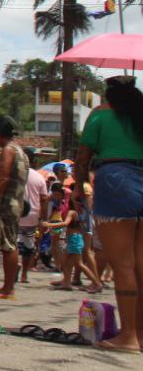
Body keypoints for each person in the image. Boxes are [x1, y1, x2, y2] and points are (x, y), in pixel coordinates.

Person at [74, 74, 143, 353]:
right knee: (141, 265)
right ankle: (140, 332)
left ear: (109, 95)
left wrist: (79, 187)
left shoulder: (100, 116)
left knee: (123, 266)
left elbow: (82, 157)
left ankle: (127, 337)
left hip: (116, 180)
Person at [0, 116, 30, 300]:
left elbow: (3, 178)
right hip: (13, 203)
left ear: (1, 134)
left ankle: (8, 289)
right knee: (7, 244)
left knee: (7, 245)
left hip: (5, 205)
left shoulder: (9, 151)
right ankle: (7, 286)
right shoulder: (19, 151)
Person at [18, 149, 46, 285]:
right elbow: (44, 199)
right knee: (29, 245)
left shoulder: (15, 174)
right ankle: (24, 274)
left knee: (16, 243)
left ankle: (16, 265)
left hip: (16, 212)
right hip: (33, 214)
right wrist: (43, 219)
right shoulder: (39, 177)